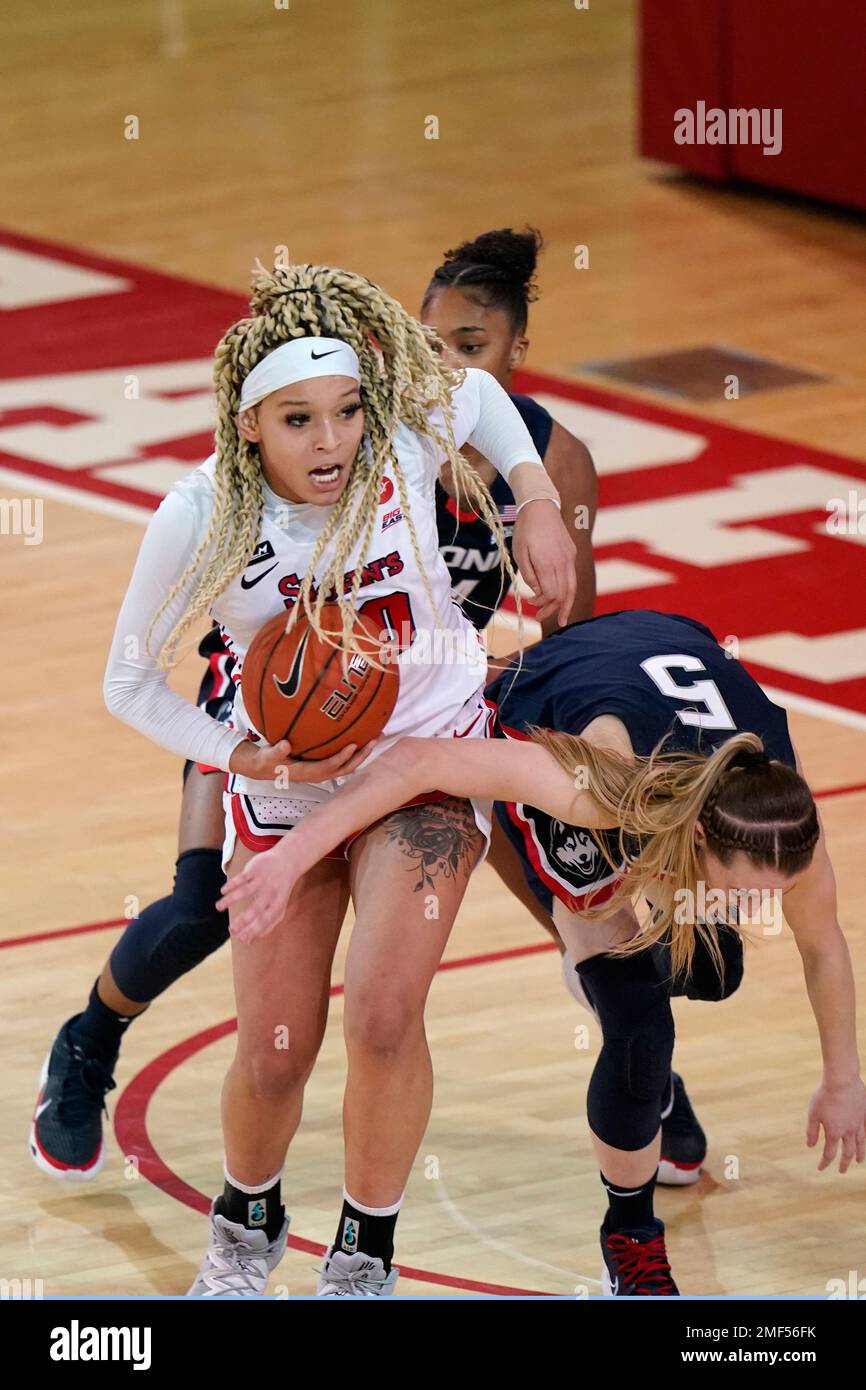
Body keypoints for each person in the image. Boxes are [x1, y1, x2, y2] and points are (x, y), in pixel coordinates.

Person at [31, 231, 604, 1188]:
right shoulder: (209, 509)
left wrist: (537, 502)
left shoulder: (439, 428)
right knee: (204, 921)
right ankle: (89, 1042)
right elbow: (127, 680)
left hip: (424, 723)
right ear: (253, 423)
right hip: (281, 718)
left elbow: (485, 417)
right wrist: (233, 750)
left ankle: (634, 1048)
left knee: (488, 925)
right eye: (300, 419)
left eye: (345, 412)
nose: (330, 437)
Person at [220, 609, 866, 1296]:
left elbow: (823, 944)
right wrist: (293, 855)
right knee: (639, 1019)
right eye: (738, 895)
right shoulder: (599, 786)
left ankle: (649, 1091)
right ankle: (631, 1240)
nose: (748, 911)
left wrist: (842, 1080)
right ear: (699, 840)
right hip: (540, 705)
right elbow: (421, 761)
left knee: (713, 970)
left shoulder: (783, 825)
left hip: (661, 648)